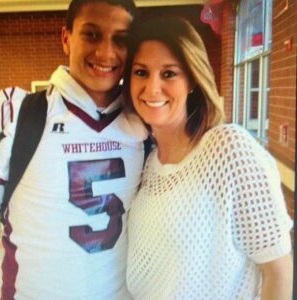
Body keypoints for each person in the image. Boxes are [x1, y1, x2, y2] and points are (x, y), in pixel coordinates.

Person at [124, 16, 293, 300]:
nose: (152, 88)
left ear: (192, 79)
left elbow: (278, 270)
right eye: (141, 72)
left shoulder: (228, 150)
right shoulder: (146, 164)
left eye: (169, 73)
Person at [0, 0, 148, 299]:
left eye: (121, 40)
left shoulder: (145, 123)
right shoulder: (16, 112)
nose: (106, 52)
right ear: (66, 38)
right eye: (91, 34)